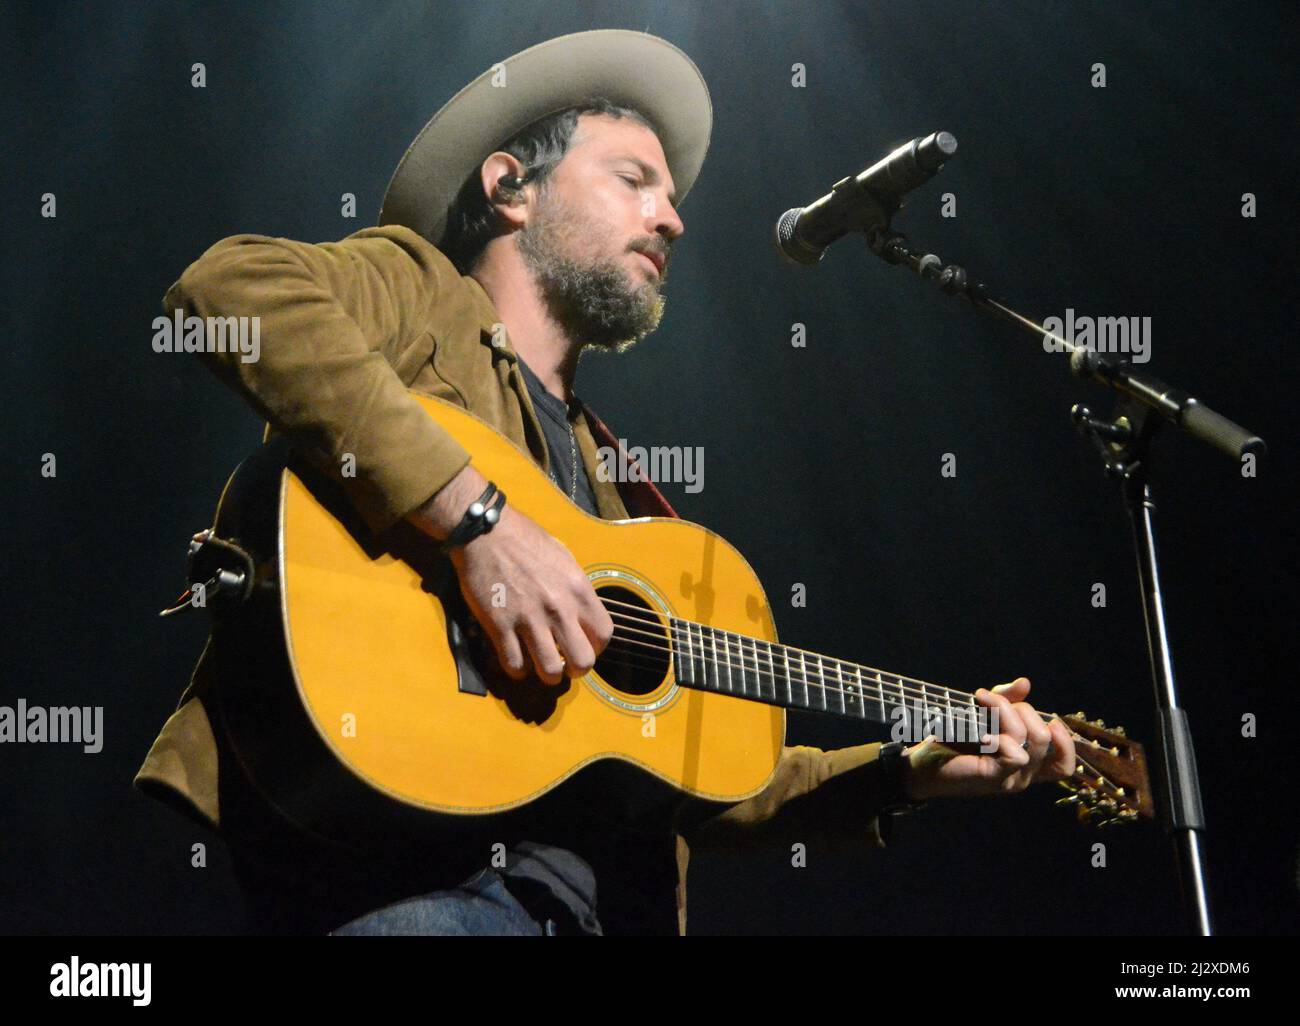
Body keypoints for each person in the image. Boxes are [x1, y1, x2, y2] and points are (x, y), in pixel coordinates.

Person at [134, 29, 1076, 936]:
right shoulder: (417, 290)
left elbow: (699, 776)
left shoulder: (617, 494)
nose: (672, 217)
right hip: (409, 890)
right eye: (634, 181)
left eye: (668, 197)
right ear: (511, 188)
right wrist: (479, 524)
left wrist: (905, 771)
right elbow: (227, 293)